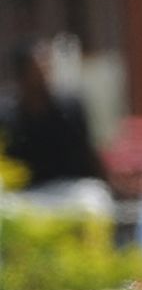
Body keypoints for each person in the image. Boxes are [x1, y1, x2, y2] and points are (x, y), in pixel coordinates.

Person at [1, 43, 113, 192]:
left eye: (47, 66)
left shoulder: (70, 108)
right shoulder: (7, 116)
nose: (44, 73)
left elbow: (87, 153)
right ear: (22, 73)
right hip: (25, 193)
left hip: (69, 188)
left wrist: (109, 184)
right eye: (36, 69)